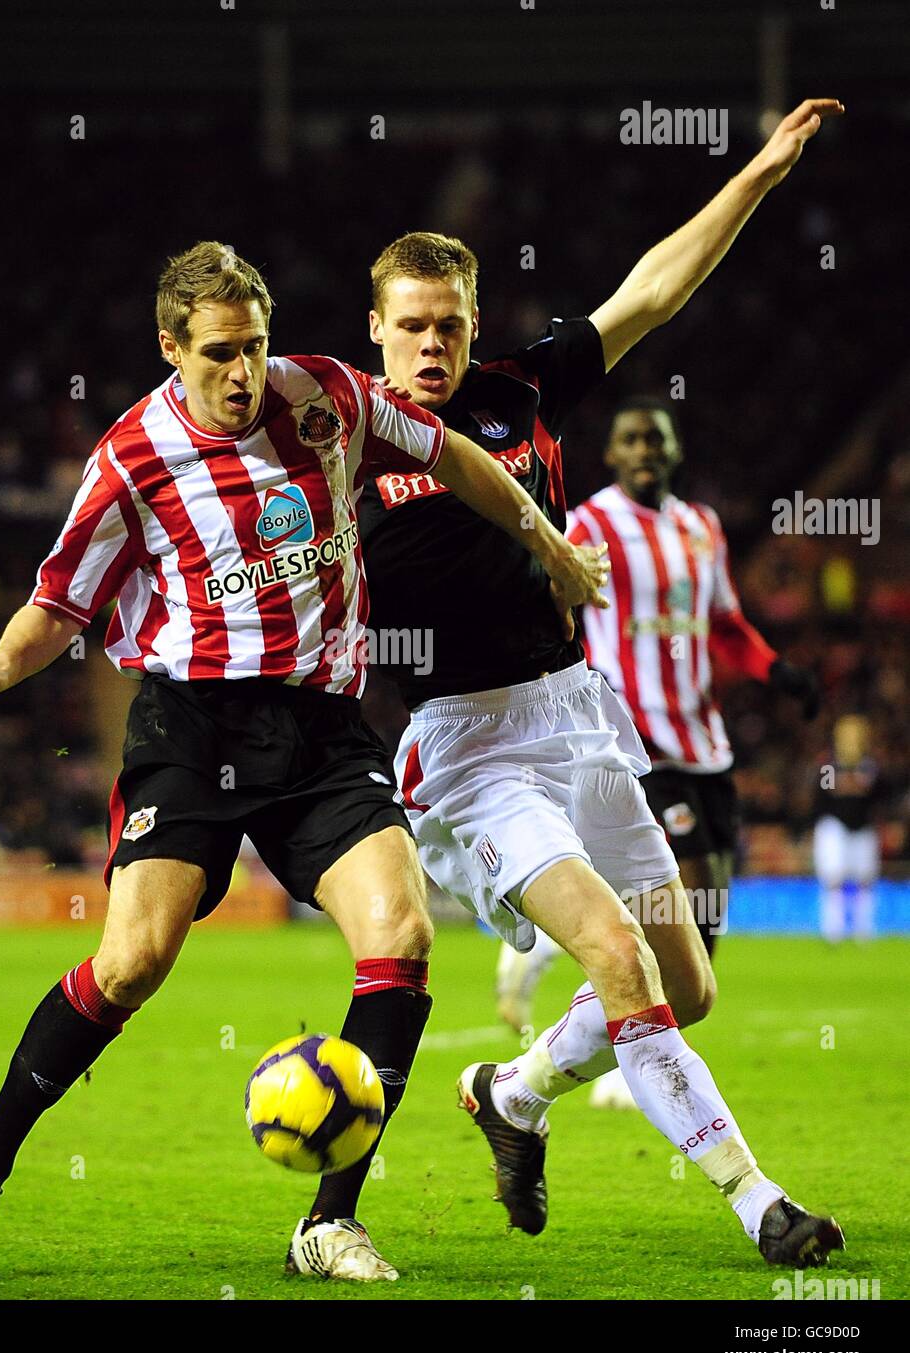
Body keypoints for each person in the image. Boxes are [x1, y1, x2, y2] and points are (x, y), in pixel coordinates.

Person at [0, 240, 608, 1285]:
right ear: (170, 348)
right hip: (193, 732)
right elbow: (59, 603)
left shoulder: (328, 396)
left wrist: (548, 541)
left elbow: (455, 455)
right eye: (220, 355)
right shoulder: (131, 461)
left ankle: (329, 1222)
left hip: (322, 730)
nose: (244, 374)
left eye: (256, 347)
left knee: (402, 934)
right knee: (131, 963)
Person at [358, 100, 844, 1266]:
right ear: (374, 330)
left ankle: (512, 1093)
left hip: (579, 720)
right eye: (413, 326)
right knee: (617, 959)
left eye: (451, 327)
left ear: (474, 327)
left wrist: (759, 179)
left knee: (693, 982)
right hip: (469, 750)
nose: (433, 346)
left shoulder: (518, 394)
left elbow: (652, 290)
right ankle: (756, 1199)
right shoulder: (343, 448)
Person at [516, 396, 820, 1109]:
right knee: (671, 888)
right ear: (612, 454)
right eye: (631, 439)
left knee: (710, 894)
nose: (646, 449)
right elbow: (551, 598)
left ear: (674, 449)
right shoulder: (588, 522)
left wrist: (777, 671)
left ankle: (648, 1028)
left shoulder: (699, 528)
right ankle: (632, 1047)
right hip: (637, 741)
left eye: (657, 438)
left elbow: (723, 623)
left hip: (703, 742)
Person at [813, 714, 882, 942]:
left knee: (865, 878)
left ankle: (864, 931)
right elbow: (823, 794)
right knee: (833, 878)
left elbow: (879, 794)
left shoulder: (870, 766)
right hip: (835, 825)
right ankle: (834, 930)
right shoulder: (829, 765)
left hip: (863, 826)